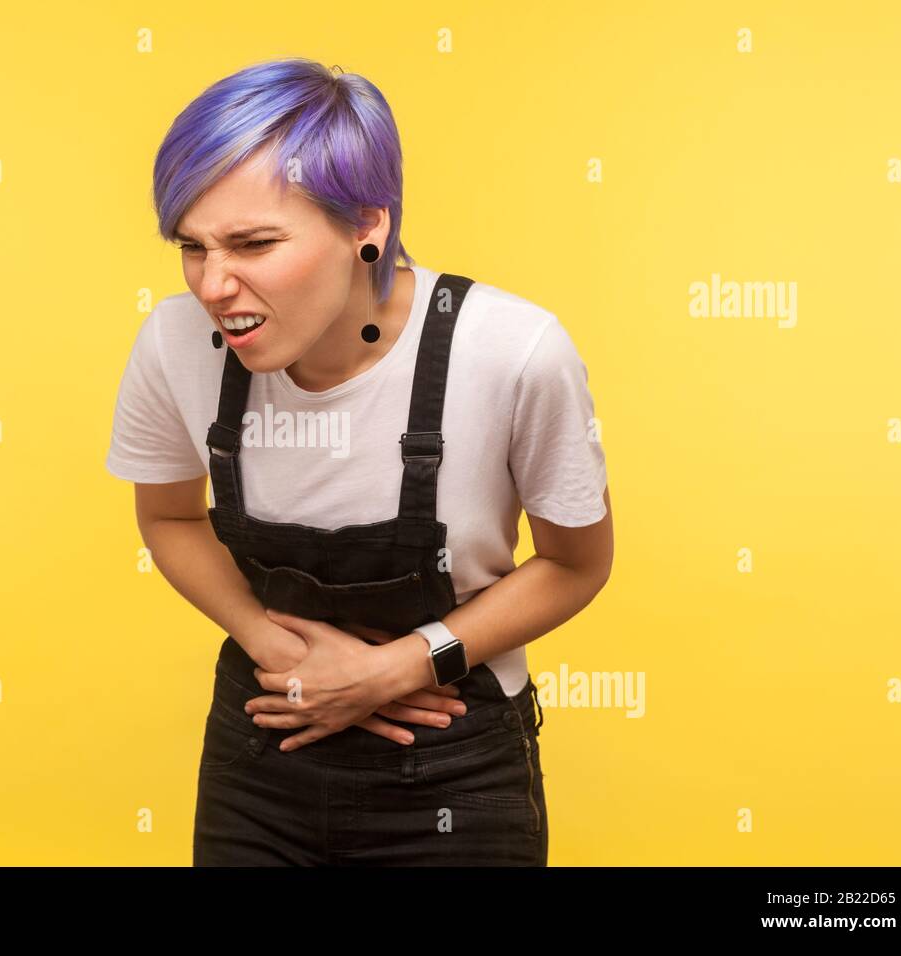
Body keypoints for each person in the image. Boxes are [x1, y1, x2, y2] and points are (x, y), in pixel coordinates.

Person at [106, 58, 613, 865]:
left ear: (367, 225)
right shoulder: (176, 344)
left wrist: (398, 668)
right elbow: (167, 516)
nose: (213, 284)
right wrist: (279, 651)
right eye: (192, 247)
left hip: (452, 766)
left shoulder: (512, 352)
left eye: (253, 243)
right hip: (265, 746)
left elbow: (576, 564)